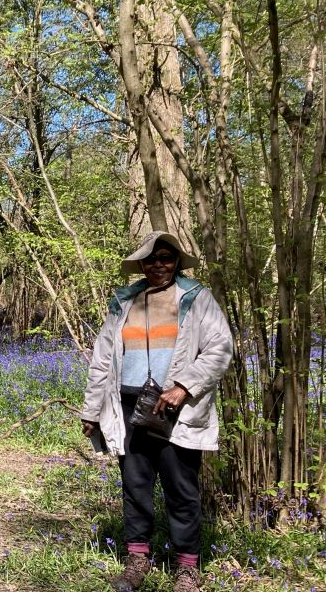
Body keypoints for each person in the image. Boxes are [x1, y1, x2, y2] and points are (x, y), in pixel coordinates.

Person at [80, 232, 232, 592]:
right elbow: (102, 360)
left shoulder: (197, 299)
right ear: (142, 264)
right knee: (135, 485)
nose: (159, 265)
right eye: (152, 259)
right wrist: (91, 409)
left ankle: (188, 568)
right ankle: (137, 559)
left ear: (176, 262)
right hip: (129, 405)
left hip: (175, 408)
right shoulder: (125, 302)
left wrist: (183, 386)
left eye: (166, 258)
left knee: (181, 489)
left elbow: (220, 348)